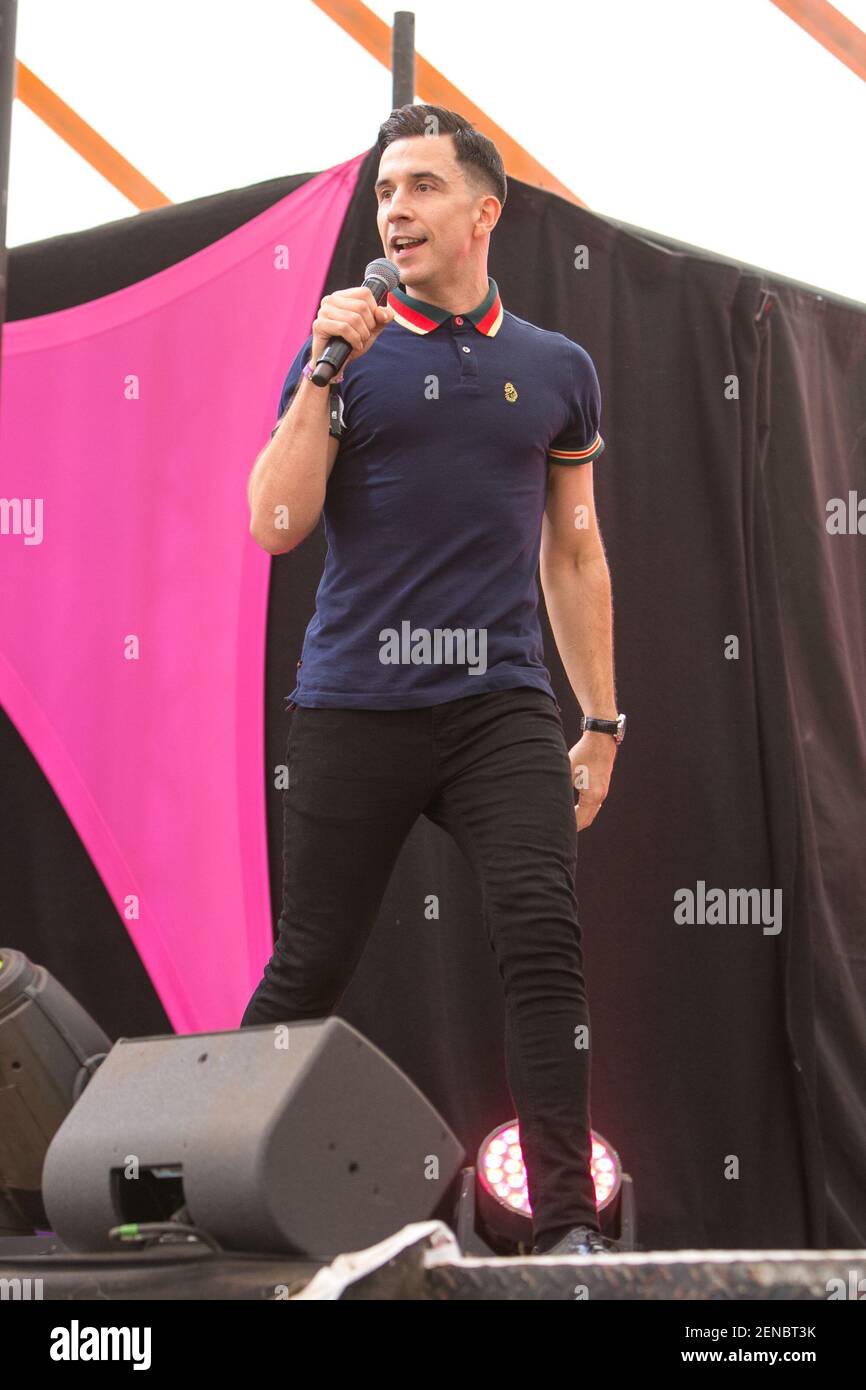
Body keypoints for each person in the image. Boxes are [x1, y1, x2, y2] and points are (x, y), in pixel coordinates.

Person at [243, 104, 626, 1257]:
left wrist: (600, 720)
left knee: (542, 937)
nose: (394, 209)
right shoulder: (344, 352)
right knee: (308, 961)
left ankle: (567, 1233)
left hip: (499, 705)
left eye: (416, 187)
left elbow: (573, 551)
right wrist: (321, 373)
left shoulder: (556, 368)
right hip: (352, 702)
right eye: (382, 194)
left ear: (481, 211)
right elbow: (273, 523)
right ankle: (212, 1202)